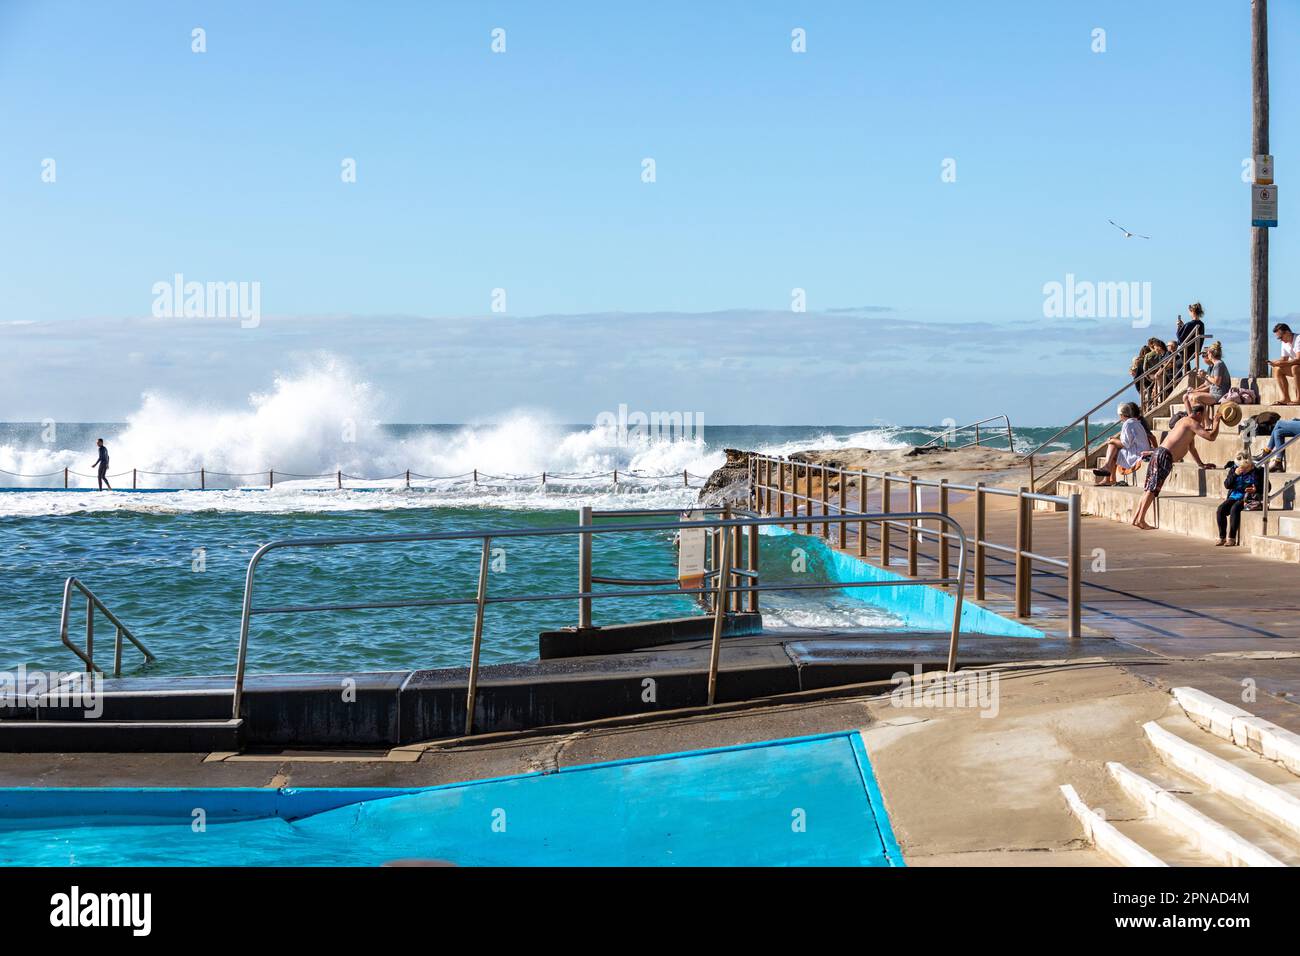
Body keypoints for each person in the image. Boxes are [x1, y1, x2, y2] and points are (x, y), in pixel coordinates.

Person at [1131, 404, 1220, 530]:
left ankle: (1136, 518)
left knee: (1149, 488)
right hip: (1164, 456)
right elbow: (1211, 437)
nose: (1204, 419)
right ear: (1199, 414)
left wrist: (1201, 464)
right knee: (1152, 489)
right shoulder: (1191, 422)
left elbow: (1191, 448)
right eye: (1204, 416)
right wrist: (1216, 422)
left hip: (1159, 453)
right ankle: (1141, 520)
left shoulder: (1184, 422)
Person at [1092, 402, 1154, 486]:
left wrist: (1113, 440)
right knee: (1113, 447)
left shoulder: (1128, 424)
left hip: (1137, 455)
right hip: (1140, 451)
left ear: (1121, 415)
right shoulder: (1137, 422)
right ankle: (1109, 476)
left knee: (1112, 445)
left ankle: (1108, 473)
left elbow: (1125, 444)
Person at [1216, 452, 1261, 546]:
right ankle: (1222, 537)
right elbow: (1227, 485)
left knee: (1235, 509)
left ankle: (1231, 538)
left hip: (1248, 497)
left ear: (1250, 465)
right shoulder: (1234, 469)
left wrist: (1255, 489)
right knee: (1220, 510)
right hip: (1235, 495)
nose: (1243, 470)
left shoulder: (1258, 471)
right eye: (1241, 468)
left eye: (1245, 468)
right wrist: (1235, 475)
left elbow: (1267, 487)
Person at [1183, 340, 1229, 414]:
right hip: (1214, 393)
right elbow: (1209, 383)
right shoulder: (1216, 365)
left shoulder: (1218, 364)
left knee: (1196, 398)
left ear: (1210, 354)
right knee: (1191, 396)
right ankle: (1197, 419)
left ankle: (1206, 422)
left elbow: (1217, 382)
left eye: (1207, 354)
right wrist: (1196, 389)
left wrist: (1205, 376)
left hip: (1219, 394)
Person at [1268, 323, 1300, 406]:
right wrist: (1275, 363)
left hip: (1297, 367)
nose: (1280, 340)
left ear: (1287, 332)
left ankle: (1299, 398)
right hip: (1296, 366)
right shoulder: (1284, 343)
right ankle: (1286, 398)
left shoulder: (1298, 339)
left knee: (1295, 368)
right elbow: (1284, 360)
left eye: (1281, 337)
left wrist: (1280, 363)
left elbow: (1298, 359)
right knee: (1277, 369)